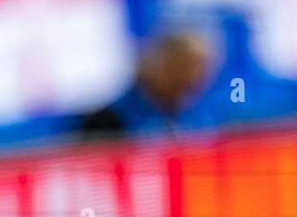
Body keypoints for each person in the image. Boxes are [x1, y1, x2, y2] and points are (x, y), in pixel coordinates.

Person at [78, 31, 212, 139]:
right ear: (160, 64)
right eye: (183, 67)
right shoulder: (106, 121)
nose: (193, 79)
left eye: (201, 70)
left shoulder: (195, 119)